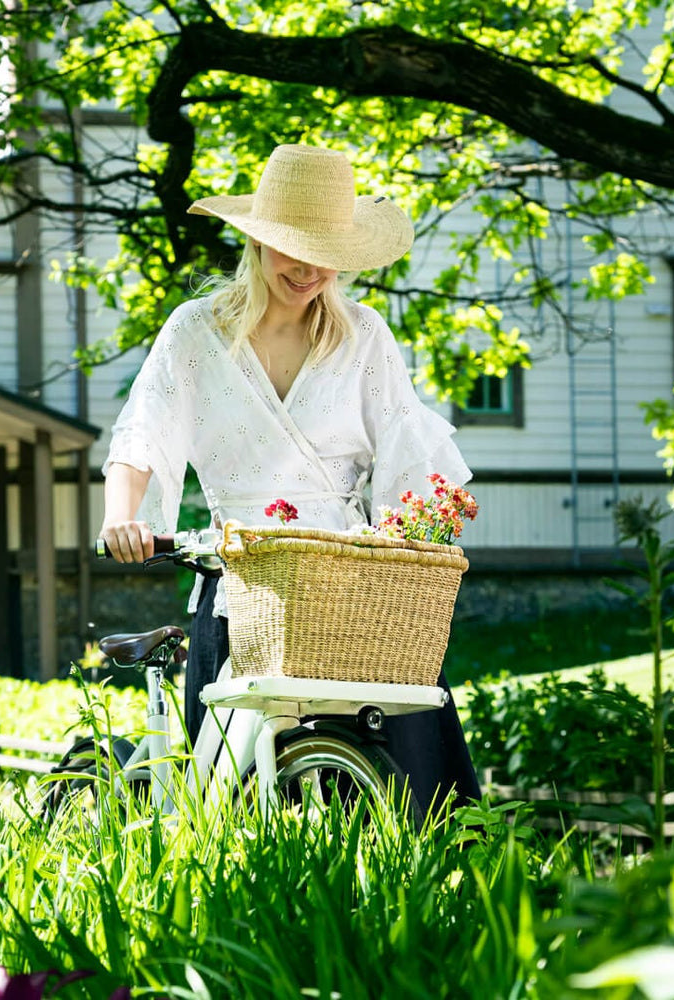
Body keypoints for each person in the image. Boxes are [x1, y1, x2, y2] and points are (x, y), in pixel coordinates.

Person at [99, 142, 481, 810]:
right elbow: (144, 432)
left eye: (322, 250)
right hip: (242, 582)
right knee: (225, 807)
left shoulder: (363, 336)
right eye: (289, 248)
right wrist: (120, 517)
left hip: (347, 585)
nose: (306, 269)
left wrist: (427, 531)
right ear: (256, 242)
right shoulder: (196, 332)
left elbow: (408, 447)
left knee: (401, 792)